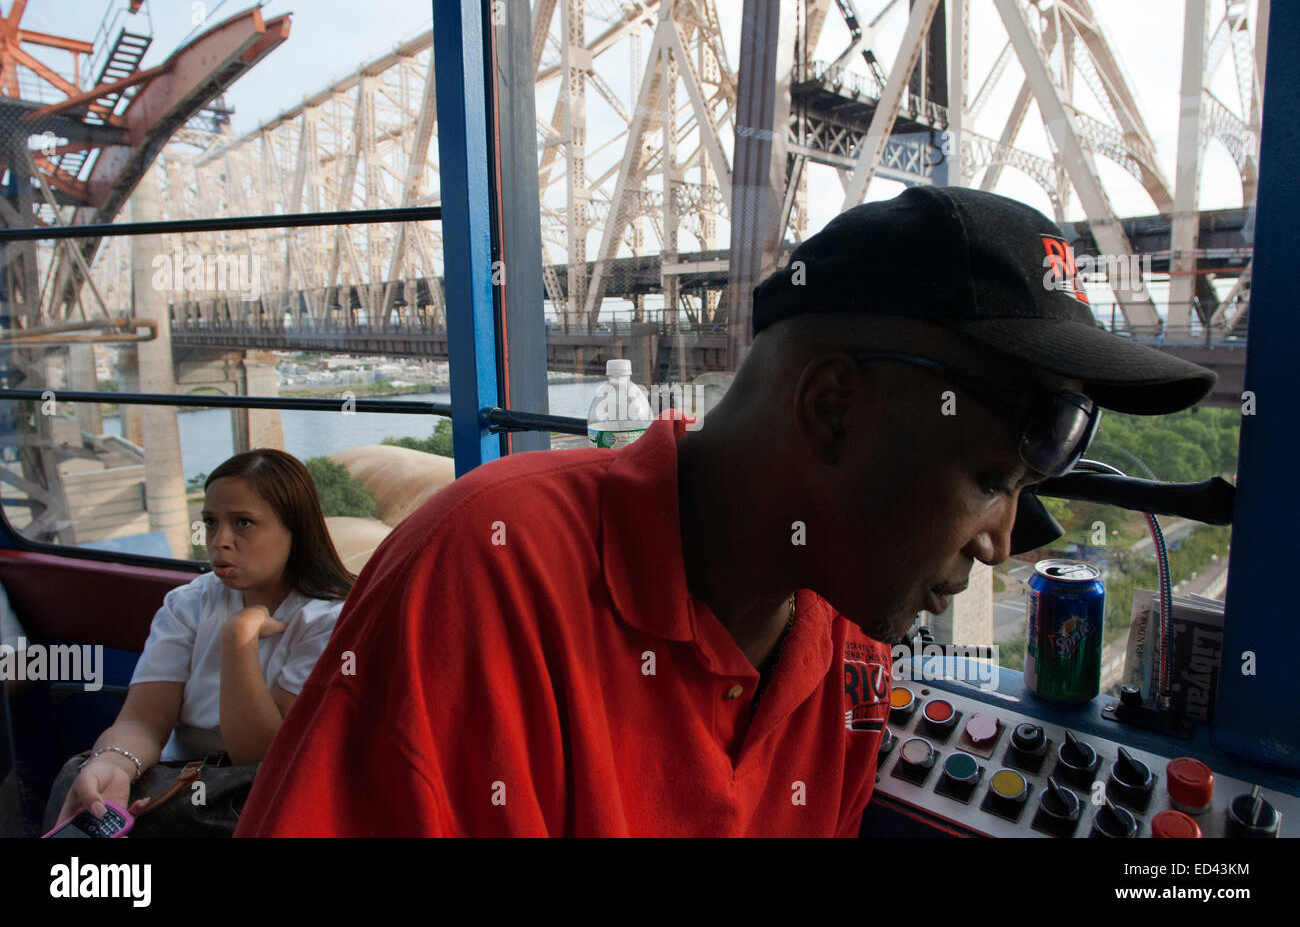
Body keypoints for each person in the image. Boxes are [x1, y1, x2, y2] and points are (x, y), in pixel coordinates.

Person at [235, 186, 1215, 837]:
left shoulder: (847, 658)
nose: (1003, 542)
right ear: (830, 408)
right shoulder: (485, 571)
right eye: (989, 479)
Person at [53, 448, 354, 826]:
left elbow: (259, 754)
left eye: (243, 523)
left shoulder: (327, 621)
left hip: (265, 795)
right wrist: (114, 762)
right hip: (180, 780)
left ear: (296, 529)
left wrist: (238, 640)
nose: (220, 540)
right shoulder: (188, 604)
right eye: (211, 522)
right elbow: (145, 720)